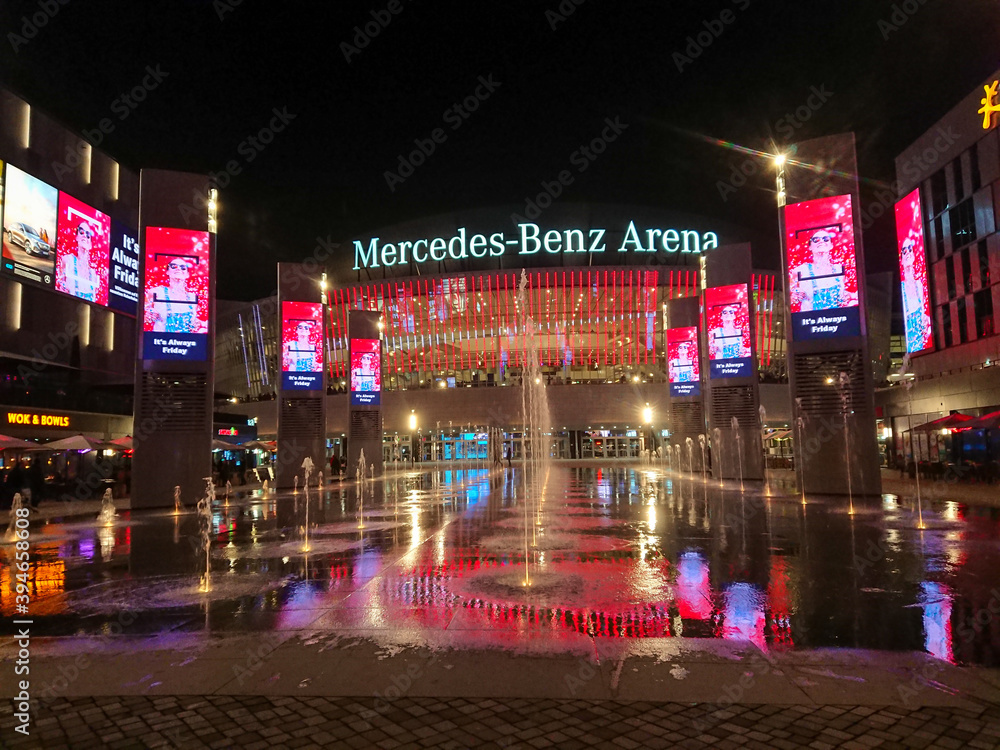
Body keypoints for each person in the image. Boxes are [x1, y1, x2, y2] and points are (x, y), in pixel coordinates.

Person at [792, 229, 847, 312]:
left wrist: (846, 297)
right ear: (810, 247)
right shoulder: (800, 271)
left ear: (831, 245)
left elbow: (844, 296)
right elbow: (789, 298)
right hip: (811, 319)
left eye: (825, 239)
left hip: (837, 318)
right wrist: (794, 296)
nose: (821, 241)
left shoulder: (839, 270)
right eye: (816, 240)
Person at [148, 255, 201, 333]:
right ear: (167, 272)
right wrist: (148, 315)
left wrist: (197, 324)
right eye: (174, 266)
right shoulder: (156, 292)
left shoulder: (193, 298)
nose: (178, 269)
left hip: (185, 340)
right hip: (161, 339)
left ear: (187, 274)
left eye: (183, 267)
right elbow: (144, 316)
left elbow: (195, 324)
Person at [57, 222, 101, 302]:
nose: (85, 236)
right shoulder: (67, 260)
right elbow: (58, 287)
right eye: (81, 232)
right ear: (76, 237)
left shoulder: (93, 274)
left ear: (90, 244)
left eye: (88, 235)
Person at [900, 238, 931, 348]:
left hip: (920, 344)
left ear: (913, 255)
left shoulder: (919, 285)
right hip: (908, 345)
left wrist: (926, 320)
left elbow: (922, 315)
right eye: (904, 251)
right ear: (901, 260)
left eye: (910, 249)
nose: (907, 252)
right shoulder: (901, 288)